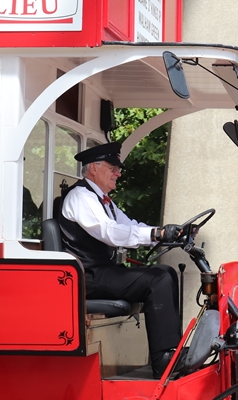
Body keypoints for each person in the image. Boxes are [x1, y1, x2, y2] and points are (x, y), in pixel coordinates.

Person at [58, 142, 182, 379]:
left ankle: (172, 352)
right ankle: (163, 362)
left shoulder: (104, 200)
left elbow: (131, 226)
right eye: (113, 167)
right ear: (93, 168)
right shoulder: (81, 196)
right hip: (89, 277)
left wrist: (168, 232)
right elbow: (111, 233)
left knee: (166, 272)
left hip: (103, 272)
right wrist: (156, 234)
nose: (119, 173)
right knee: (157, 279)